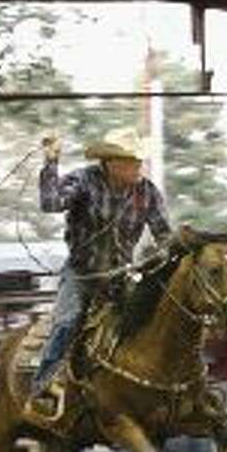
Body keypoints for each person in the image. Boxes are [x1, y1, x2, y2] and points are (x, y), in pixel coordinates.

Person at [31, 126, 172, 415]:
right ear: (111, 164)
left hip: (120, 276)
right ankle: (43, 386)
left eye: (138, 162)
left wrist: (164, 256)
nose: (138, 168)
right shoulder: (84, 180)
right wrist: (51, 162)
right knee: (67, 322)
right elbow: (51, 203)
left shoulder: (146, 192)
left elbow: (163, 236)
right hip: (82, 274)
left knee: (150, 320)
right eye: (132, 162)